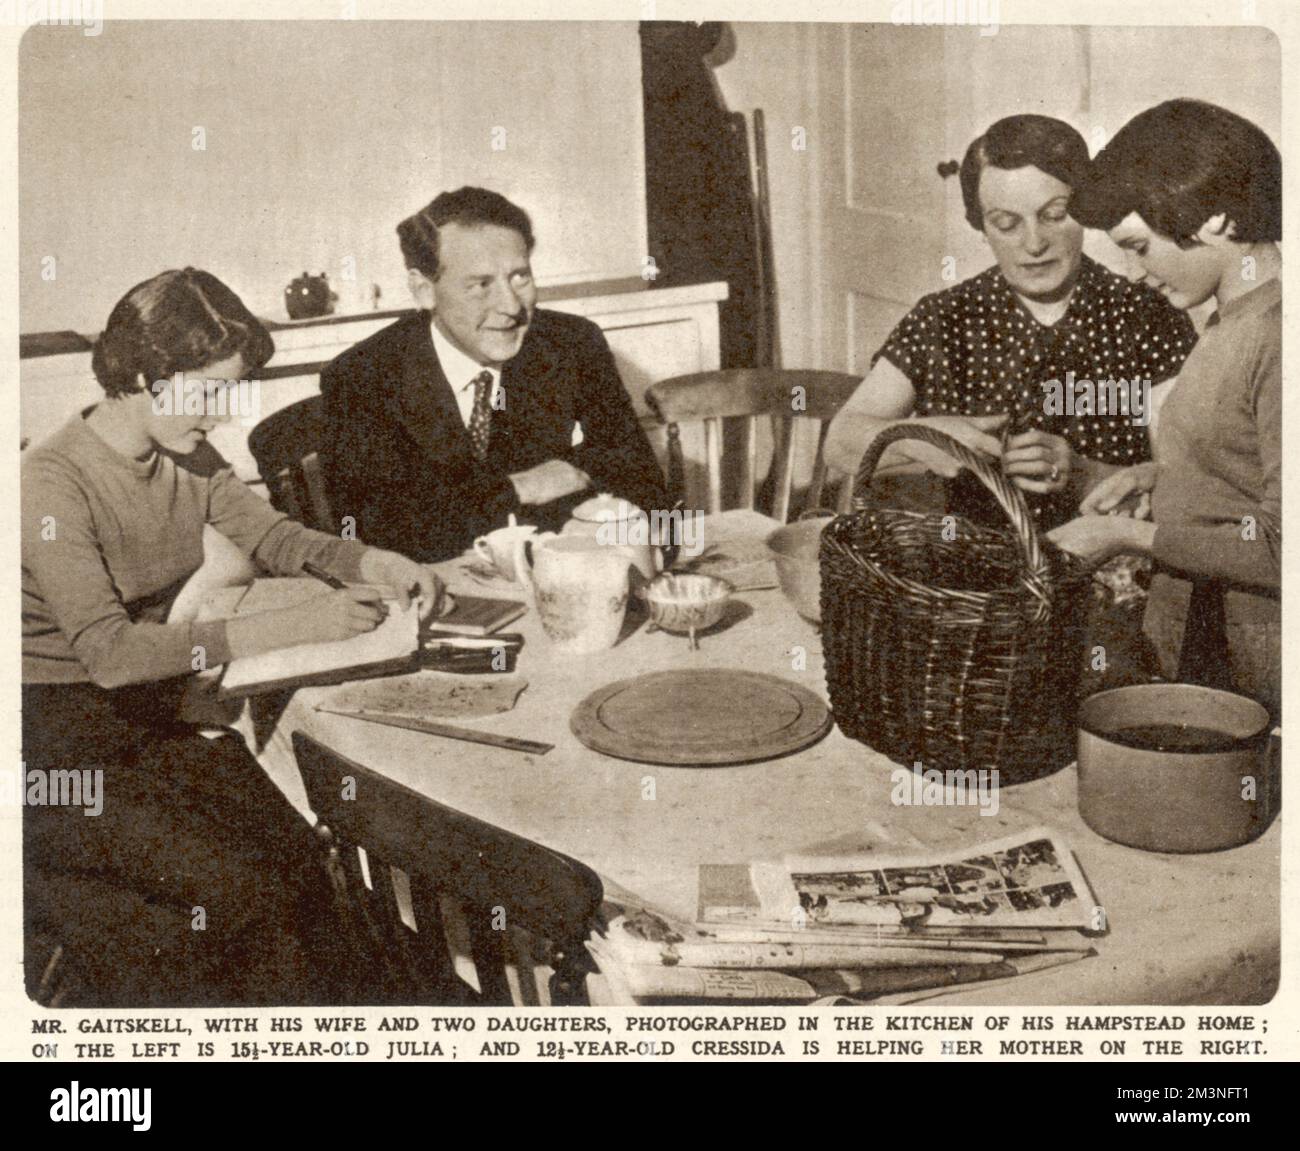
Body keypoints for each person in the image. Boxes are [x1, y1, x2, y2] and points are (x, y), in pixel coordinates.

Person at [21, 268, 443, 1006]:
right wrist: (287, 625)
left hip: (147, 718)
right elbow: (112, 656)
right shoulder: (50, 482)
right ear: (149, 375)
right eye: (210, 392)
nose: (221, 414)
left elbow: (273, 536)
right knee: (241, 894)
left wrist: (371, 559)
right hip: (48, 744)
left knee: (303, 857)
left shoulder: (187, 454)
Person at [823, 114, 1197, 531]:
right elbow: (840, 444)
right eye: (1007, 223)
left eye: (1054, 214)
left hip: (1111, 569)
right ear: (981, 227)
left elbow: (1185, 483)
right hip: (976, 579)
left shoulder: (1147, 315)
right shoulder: (944, 318)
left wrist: (1083, 473)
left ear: (1086, 213)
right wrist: (923, 439)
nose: (1034, 243)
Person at [1047, 99, 1281, 718]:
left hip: (1253, 655)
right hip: (1200, 626)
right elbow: (1240, 462)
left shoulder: (1280, 339)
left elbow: (1286, 548)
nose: (1133, 272)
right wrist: (1153, 477)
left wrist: (1126, 535)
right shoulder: (1227, 320)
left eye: (1139, 246)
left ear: (1218, 220)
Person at [321, 186, 669, 562]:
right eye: (481, 285)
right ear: (424, 291)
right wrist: (517, 488)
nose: (510, 306)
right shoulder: (361, 376)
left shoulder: (571, 343)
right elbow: (376, 531)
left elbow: (641, 480)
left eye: (520, 277)